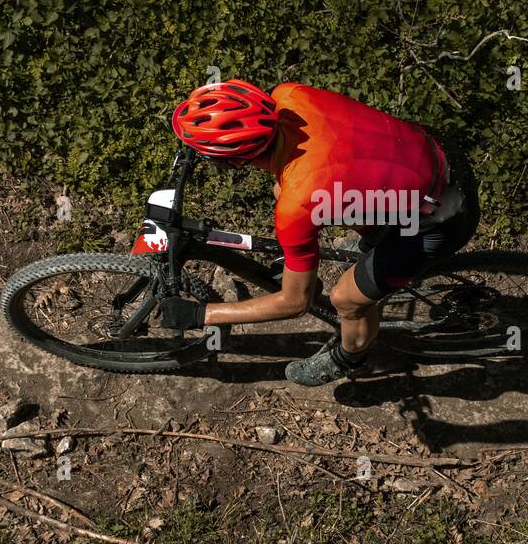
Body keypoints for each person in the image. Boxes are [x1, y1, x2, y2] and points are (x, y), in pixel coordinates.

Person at [157, 79, 481, 386]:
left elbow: (295, 303)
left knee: (346, 299)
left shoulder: (297, 203)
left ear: (235, 162)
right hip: (435, 149)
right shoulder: (290, 95)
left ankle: (350, 358)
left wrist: (202, 313)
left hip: (445, 214)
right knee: (294, 190)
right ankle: (376, 239)